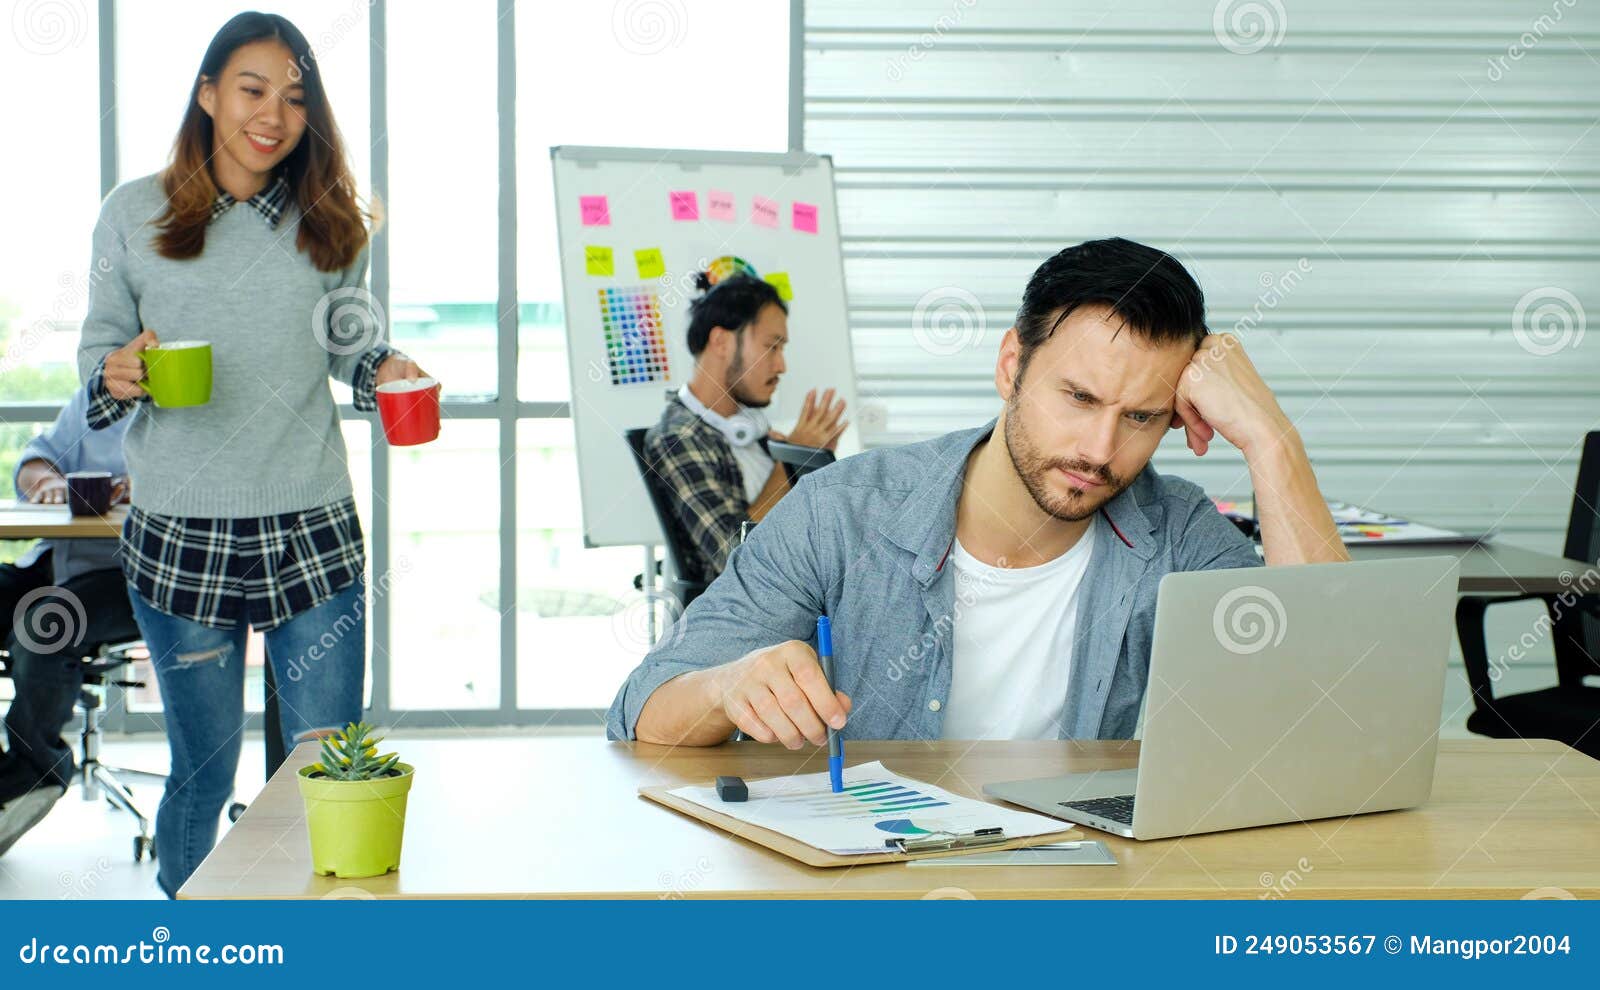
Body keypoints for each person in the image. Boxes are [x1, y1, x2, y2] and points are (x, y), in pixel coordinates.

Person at [608, 237, 1349, 746]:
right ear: (1010, 367)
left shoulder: (1176, 531)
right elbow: (639, 715)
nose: (1100, 450)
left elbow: (1321, 714)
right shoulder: (844, 510)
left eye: (1142, 417)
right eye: (1080, 398)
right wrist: (726, 686)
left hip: (1067, 892)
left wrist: (1271, 442)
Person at [76, 11, 429, 896]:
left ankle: (315, 952)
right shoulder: (133, 213)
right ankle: (204, 949)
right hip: (181, 536)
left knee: (325, 774)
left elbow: (350, 341)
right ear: (206, 93)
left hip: (312, 528)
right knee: (203, 773)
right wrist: (117, 373)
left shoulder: (335, 220)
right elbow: (96, 361)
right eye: (252, 88)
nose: (273, 113)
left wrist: (385, 365)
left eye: (295, 97)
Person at [0, 388, 136, 858]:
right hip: (58, 557)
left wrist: (152, 485)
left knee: (44, 627)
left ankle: (33, 772)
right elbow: (36, 461)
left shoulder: (188, 413)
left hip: (129, 576)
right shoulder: (94, 401)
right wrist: (46, 483)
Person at [646, 272, 847, 579]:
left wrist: (811, 466)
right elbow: (731, 560)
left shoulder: (752, 431)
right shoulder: (678, 437)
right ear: (721, 342)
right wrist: (789, 463)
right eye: (772, 347)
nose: (782, 366)